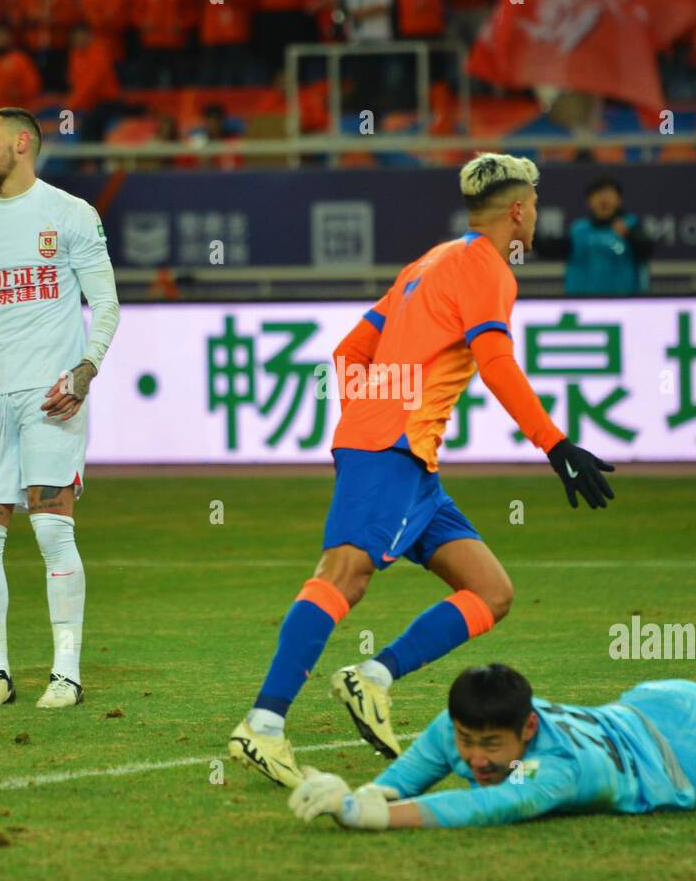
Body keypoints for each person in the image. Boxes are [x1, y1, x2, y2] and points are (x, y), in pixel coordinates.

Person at [229, 152, 615, 788]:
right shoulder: (489, 269)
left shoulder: (429, 261)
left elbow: (350, 350)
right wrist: (555, 444)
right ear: (518, 210)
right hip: (393, 447)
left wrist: (372, 410)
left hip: (407, 457)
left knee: (491, 592)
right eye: (536, 205)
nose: (538, 215)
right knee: (344, 575)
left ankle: (372, 677)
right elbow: (494, 360)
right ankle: (264, 726)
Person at [0, 108, 121, 709]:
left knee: (52, 530)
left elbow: (105, 303)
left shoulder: (71, 213)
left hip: (53, 398)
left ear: (21, 143)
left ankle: (66, 673)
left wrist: (85, 369)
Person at [288, 664, 696, 831]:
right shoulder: (454, 726)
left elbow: (484, 807)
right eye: (467, 742)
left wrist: (365, 816)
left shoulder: (555, 771)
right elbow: (403, 781)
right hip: (653, 702)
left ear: (527, 731)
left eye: (491, 747)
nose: (476, 758)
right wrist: (361, 794)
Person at [533, 177, 654, 296]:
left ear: (619, 201)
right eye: (598, 195)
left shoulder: (631, 226)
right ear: (589, 201)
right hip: (583, 306)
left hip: (621, 305)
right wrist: (527, 235)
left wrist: (630, 235)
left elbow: (646, 250)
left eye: (609, 195)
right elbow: (549, 249)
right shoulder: (579, 231)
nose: (604, 200)